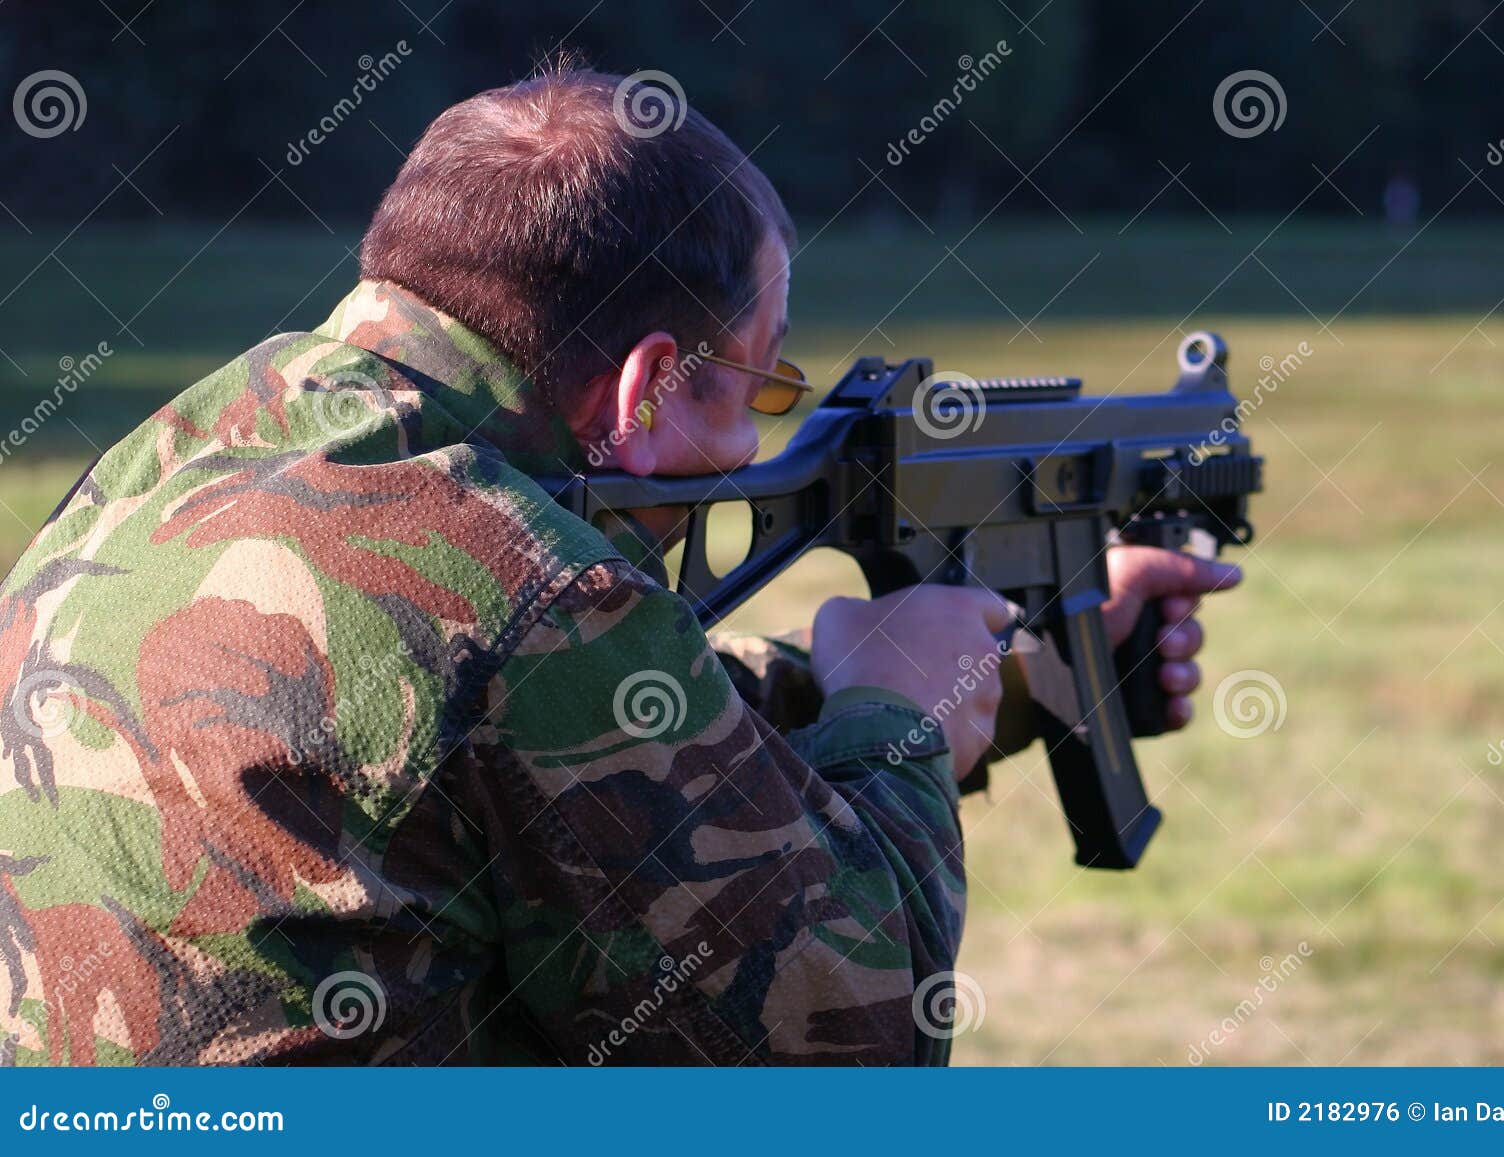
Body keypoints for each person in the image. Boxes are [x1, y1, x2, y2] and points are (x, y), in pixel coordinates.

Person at [0, 66, 1239, 1067]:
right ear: (647, 385)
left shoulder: (167, 454)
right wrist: (895, 717)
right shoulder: (528, 579)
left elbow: (508, 744)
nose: (760, 439)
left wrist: (1002, 684)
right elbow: (848, 1048)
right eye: (763, 384)